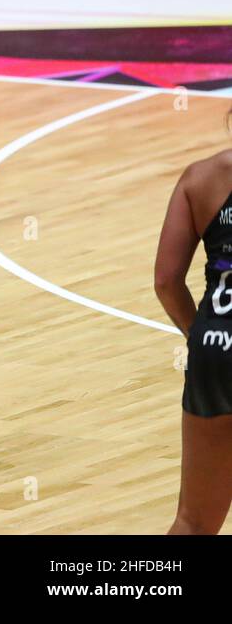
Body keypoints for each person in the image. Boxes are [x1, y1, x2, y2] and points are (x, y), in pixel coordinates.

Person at [155, 115, 232, 534]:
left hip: (215, 347)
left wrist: (200, 338)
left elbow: (166, 281)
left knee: (193, 522)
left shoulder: (199, 178)